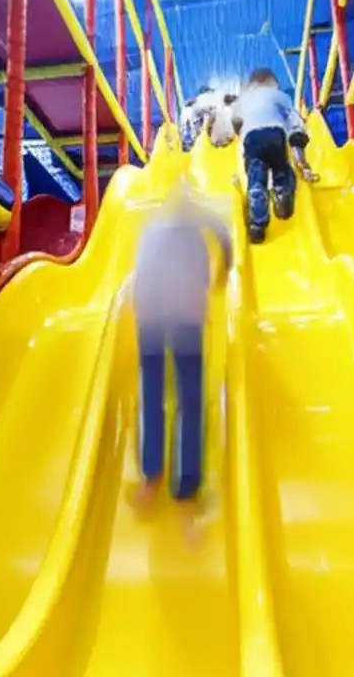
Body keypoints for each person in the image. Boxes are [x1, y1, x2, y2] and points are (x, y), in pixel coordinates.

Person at [132, 181, 231, 501]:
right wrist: (222, 274)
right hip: (185, 318)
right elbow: (225, 237)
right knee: (190, 401)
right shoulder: (198, 226)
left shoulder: (152, 229)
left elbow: (142, 275)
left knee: (152, 395)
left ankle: (152, 477)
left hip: (152, 316)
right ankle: (186, 484)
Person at [233, 68, 306, 243]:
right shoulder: (278, 95)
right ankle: (282, 191)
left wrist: (238, 132)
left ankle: (257, 223)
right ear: (272, 83)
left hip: (252, 138)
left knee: (255, 171)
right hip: (275, 133)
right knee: (281, 166)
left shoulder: (245, 100)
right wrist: (297, 132)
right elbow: (292, 115)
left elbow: (235, 119)